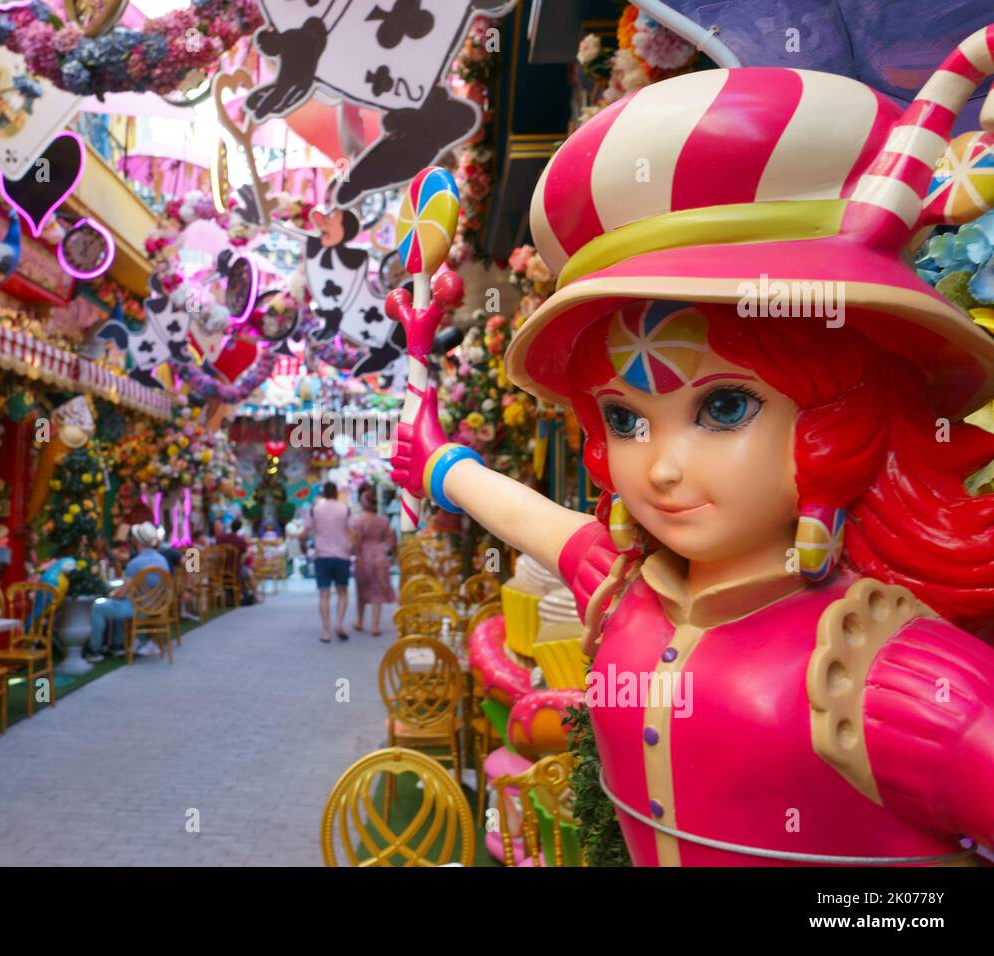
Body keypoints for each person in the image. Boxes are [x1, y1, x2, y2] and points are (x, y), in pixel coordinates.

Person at [390, 38, 994, 866]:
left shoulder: (895, 673)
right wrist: (435, 461)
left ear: (846, 413)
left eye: (723, 406)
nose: (662, 469)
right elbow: (535, 522)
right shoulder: (635, 584)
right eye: (626, 420)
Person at [88, 523, 170, 661]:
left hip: (139, 609)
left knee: (98, 606)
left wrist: (112, 595)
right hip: (158, 606)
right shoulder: (162, 560)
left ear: (136, 541)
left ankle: (94, 650)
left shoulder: (135, 563)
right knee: (121, 603)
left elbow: (122, 593)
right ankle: (119, 644)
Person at [304, 481, 352, 643]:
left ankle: (326, 631)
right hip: (342, 555)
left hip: (322, 555)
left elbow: (306, 531)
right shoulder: (345, 509)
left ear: (323, 493)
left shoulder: (315, 509)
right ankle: (339, 623)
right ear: (336, 493)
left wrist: (303, 547)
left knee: (324, 594)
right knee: (342, 592)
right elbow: (352, 531)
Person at [351, 485, 396, 636]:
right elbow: (391, 539)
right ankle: (375, 626)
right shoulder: (383, 521)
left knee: (362, 590)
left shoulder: (359, 521)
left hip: (364, 555)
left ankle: (360, 621)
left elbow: (356, 541)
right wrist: (391, 554)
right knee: (377, 590)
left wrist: (356, 554)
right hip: (379, 555)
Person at [215, 518, 258, 604]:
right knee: (249, 573)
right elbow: (246, 554)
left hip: (220, 570)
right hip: (235, 571)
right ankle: (255, 595)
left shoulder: (221, 538)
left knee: (245, 572)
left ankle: (242, 594)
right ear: (239, 528)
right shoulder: (240, 540)